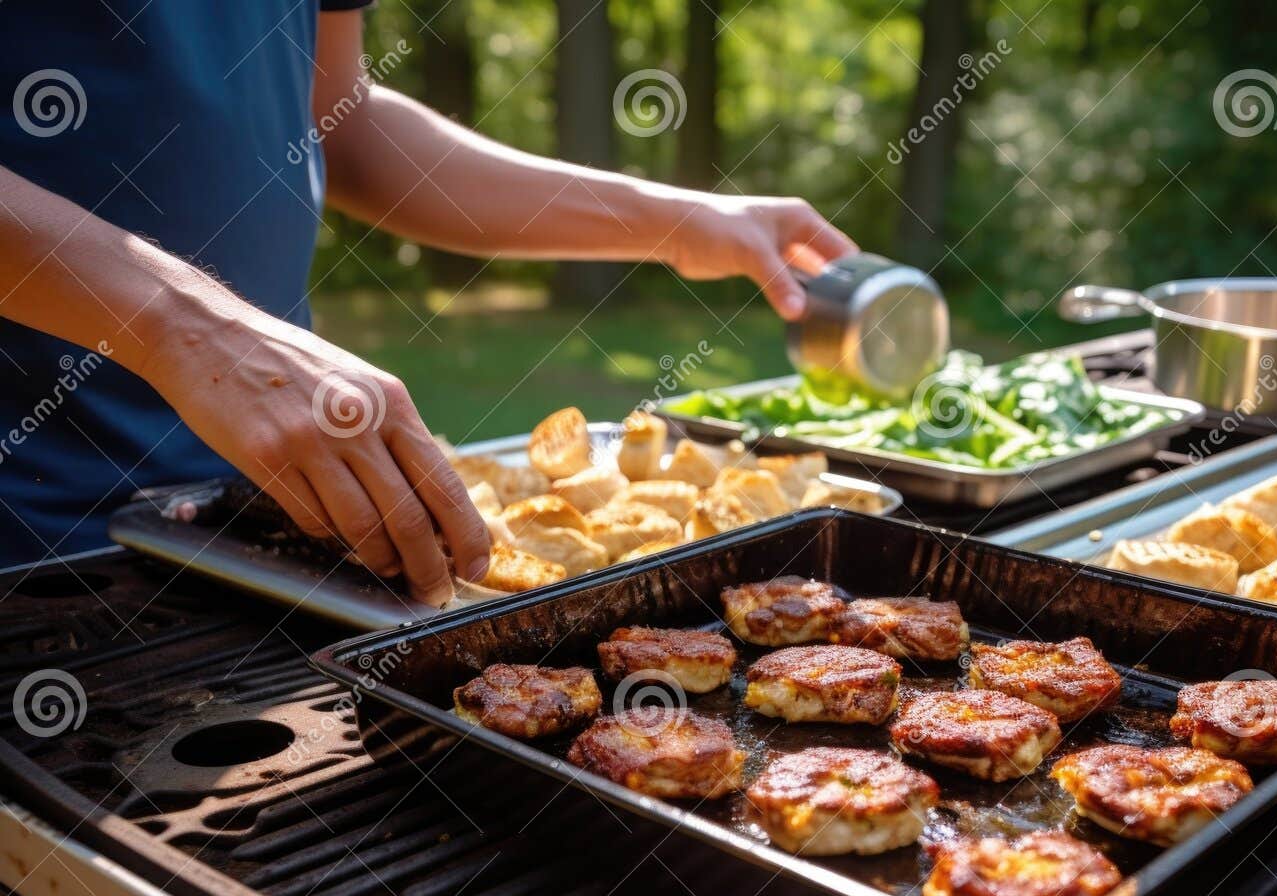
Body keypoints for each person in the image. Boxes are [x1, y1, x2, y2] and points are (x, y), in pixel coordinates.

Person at [0, 2, 856, 604]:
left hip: (287, 524)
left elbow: (337, 114)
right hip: (34, 536)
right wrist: (186, 327)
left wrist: (676, 220)